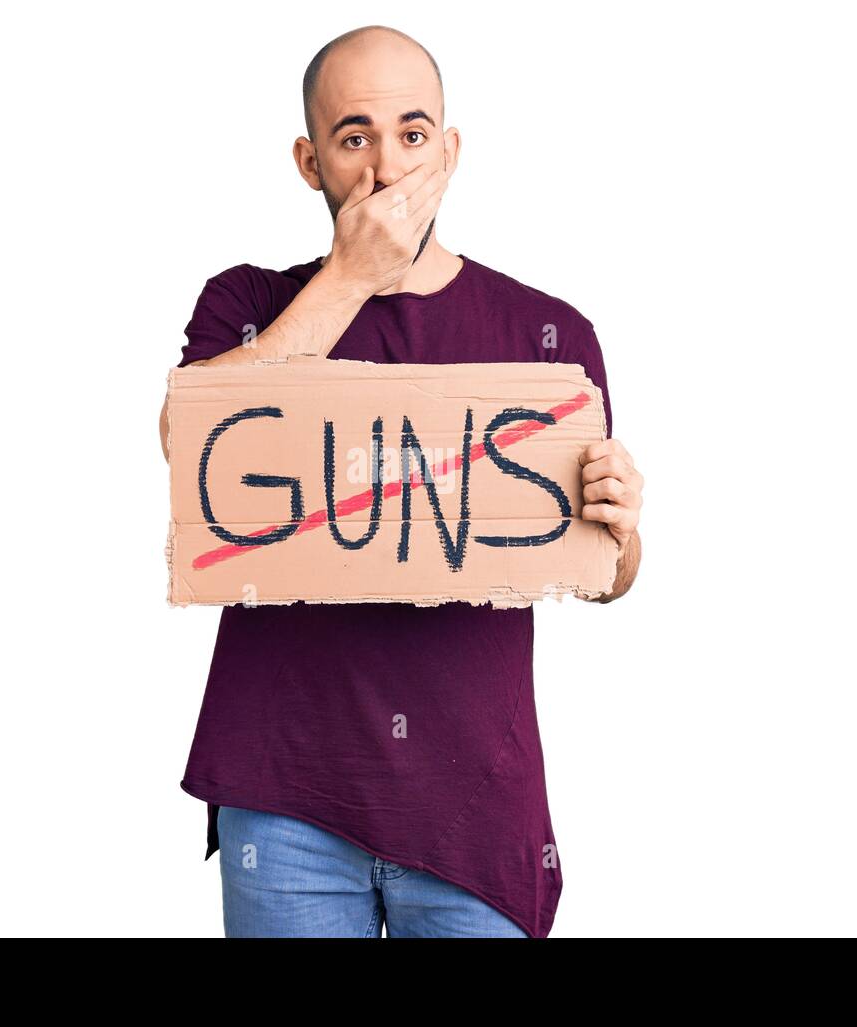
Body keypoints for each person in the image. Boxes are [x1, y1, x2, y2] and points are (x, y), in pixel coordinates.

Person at [159, 25, 644, 938]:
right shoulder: (245, 306)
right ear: (310, 162)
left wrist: (622, 535)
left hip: (474, 814)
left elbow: (604, 572)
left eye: (413, 135)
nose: (387, 167)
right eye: (355, 138)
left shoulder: (549, 337)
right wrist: (349, 278)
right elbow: (197, 452)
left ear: (450, 151)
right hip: (286, 797)